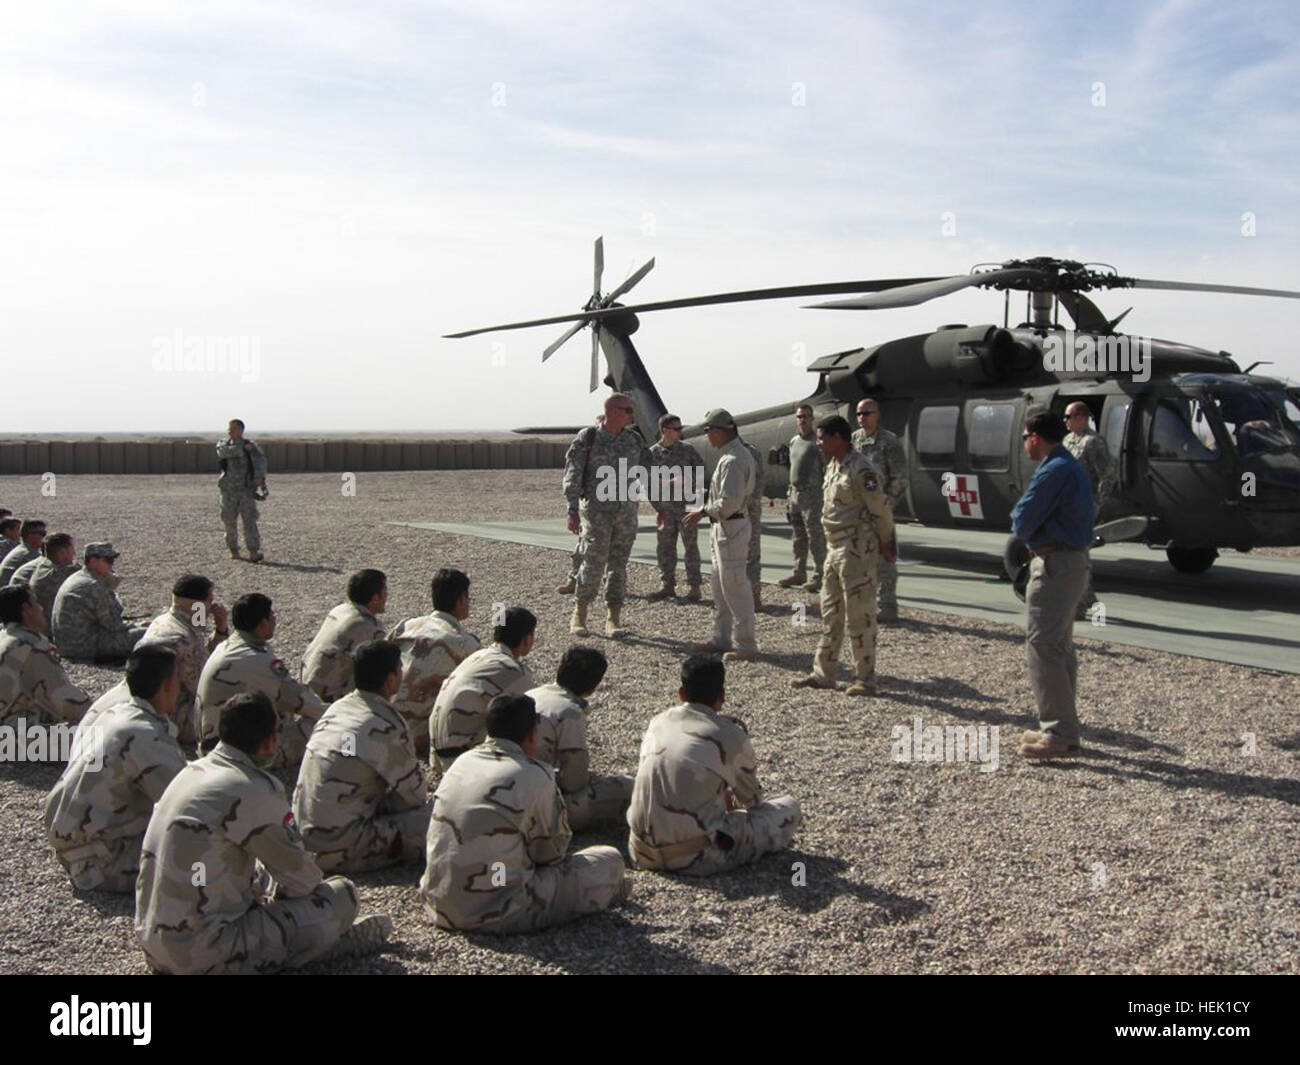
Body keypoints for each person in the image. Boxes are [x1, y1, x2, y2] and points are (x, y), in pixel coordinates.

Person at [135, 692, 391, 974]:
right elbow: (303, 881)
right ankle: (325, 946)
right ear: (270, 742)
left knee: (257, 871)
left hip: (154, 944)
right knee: (342, 896)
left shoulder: (191, 773)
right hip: (202, 955)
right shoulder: (254, 788)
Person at [418, 692, 627, 933]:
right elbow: (551, 853)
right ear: (531, 735)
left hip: (438, 900)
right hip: (497, 906)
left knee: (499, 857)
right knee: (609, 860)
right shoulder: (536, 774)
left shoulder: (462, 763)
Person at [627, 654, 800, 875]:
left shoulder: (658, 721)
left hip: (640, 852)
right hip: (696, 858)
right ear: (722, 696)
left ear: (681, 693)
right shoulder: (729, 735)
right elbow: (752, 801)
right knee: (789, 808)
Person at [44, 645, 187, 893]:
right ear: (166, 685)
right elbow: (188, 803)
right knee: (208, 859)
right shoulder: (145, 734)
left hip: (79, 849)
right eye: (178, 680)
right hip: (103, 862)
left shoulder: (115, 713)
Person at [292, 641, 432, 873]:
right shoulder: (385, 723)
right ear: (390, 680)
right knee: (442, 820)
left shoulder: (337, 709)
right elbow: (414, 795)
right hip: (340, 848)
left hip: (304, 839)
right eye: (400, 668)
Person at [1011, 409, 1096, 760]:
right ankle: (1062, 728)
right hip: (1069, 562)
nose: (1024, 446)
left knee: (1044, 645)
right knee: (1059, 647)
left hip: (1056, 565)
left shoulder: (1054, 471)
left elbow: (1021, 519)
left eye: (1025, 439)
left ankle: (1058, 733)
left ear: (1035, 437)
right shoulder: (1067, 465)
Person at [792, 415, 896, 697]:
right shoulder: (833, 467)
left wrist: (888, 543)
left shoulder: (862, 470)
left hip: (857, 551)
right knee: (831, 613)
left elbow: (881, 510)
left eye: (823, 437)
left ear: (839, 438)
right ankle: (823, 673)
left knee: (859, 616)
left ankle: (865, 679)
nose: (819, 442)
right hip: (834, 549)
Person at [195, 593, 324, 767]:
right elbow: (300, 700)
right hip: (235, 754)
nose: (275, 620)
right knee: (322, 725)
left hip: (214, 740)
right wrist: (339, 713)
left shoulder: (229, 644)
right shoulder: (259, 660)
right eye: (272, 617)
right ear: (262, 624)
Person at [564, 393, 655, 637]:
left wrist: (662, 506)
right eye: (627, 410)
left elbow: (649, 472)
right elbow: (573, 474)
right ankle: (580, 614)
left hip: (626, 513)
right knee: (593, 563)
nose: (631, 414)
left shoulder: (634, 440)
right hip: (597, 514)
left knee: (619, 566)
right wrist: (572, 509)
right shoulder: (589, 437)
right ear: (613, 411)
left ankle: (613, 619)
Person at [526, 646, 633, 830]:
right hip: (536, 808)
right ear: (592, 687)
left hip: (514, 784)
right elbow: (574, 782)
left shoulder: (532, 694)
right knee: (627, 787)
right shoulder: (570, 712)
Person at [684, 409, 757, 661]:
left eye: (708, 431)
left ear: (721, 430)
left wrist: (702, 511)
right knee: (720, 585)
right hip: (724, 528)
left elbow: (729, 503)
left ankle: (746, 644)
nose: (707, 436)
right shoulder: (730, 456)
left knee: (735, 586)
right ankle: (722, 638)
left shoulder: (734, 459)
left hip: (731, 527)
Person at [386, 567, 481, 758]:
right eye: (467, 598)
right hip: (420, 735)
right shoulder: (464, 643)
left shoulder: (405, 626)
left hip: (387, 724)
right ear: (461, 600)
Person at [428, 606, 536, 773]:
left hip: (437, 753)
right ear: (526, 639)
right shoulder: (516, 672)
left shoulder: (479, 655)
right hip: (460, 761)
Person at [137, 573, 228, 748]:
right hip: (172, 719)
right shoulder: (184, 638)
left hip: (152, 709)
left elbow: (201, 655)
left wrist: (221, 629)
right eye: (210, 601)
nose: (213, 607)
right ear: (197, 606)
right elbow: (205, 686)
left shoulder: (165, 621)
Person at [0, 585, 91, 736]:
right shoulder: (29, 645)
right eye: (36, 603)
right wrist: (98, 711)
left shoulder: (6, 636)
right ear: (26, 609)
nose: (41, 608)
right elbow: (65, 701)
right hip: (10, 737)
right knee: (97, 738)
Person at [852, 399, 908, 622]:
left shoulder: (889, 441)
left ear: (877, 415)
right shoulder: (855, 439)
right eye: (859, 414)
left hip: (881, 510)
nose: (862, 418)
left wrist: (886, 506)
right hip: (857, 510)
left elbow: (900, 479)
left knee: (885, 557)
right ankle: (863, 603)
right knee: (858, 557)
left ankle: (888, 605)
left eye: (866, 413)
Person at [50, 542, 147, 664]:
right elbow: (113, 624)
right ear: (93, 561)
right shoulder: (94, 586)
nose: (111, 565)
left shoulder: (78, 577)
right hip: (83, 648)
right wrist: (110, 590)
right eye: (108, 560)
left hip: (67, 644)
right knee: (150, 633)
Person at [301, 569, 387, 704]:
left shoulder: (340, 610)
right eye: (385, 593)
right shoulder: (367, 627)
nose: (386, 597)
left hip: (307, 686)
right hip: (327, 699)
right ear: (375, 598)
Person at [646, 413, 705, 602]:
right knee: (665, 547)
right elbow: (647, 483)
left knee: (690, 547)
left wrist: (687, 479)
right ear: (664, 431)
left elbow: (702, 471)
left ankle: (694, 587)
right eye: (676, 429)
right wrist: (658, 508)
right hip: (665, 508)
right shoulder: (652, 454)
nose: (680, 432)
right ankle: (667, 586)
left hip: (687, 507)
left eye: (681, 428)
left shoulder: (688, 450)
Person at [1063, 402, 1114, 619]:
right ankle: (1087, 599)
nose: (1065, 420)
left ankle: (1082, 603)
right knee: (1072, 553)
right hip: (1068, 505)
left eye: (1069, 416)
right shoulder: (1068, 440)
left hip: (1084, 506)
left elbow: (1108, 475)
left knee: (1077, 554)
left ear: (1082, 418)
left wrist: (1097, 505)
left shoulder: (1093, 443)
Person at [778, 404, 827, 594]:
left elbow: (827, 468)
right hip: (796, 495)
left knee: (815, 537)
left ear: (812, 419)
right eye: (799, 417)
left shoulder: (818, 443)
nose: (803, 420)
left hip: (813, 495)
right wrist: (790, 494)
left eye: (806, 416)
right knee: (798, 538)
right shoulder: (793, 442)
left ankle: (819, 576)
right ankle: (799, 572)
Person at [217, 418, 267, 562]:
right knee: (229, 521)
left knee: (249, 521)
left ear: (241, 430)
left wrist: (259, 478)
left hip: (246, 489)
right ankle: (233, 550)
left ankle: (253, 551)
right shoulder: (223, 444)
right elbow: (223, 453)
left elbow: (260, 462)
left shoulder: (251, 446)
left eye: (233, 428)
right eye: (229, 428)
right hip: (228, 490)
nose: (229, 431)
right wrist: (241, 449)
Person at [11, 532, 80, 619]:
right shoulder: (59, 573)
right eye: (72, 548)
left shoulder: (43, 566)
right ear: (62, 552)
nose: (74, 553)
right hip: (50, 629)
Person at [742, 438, 766, 609]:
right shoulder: (726, 452)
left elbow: (758, 482)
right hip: (734, 512)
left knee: (751, 554)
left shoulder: (749, 452)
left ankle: (754, 596)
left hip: (748, 511)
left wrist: (745, 504)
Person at [0, 519, 47, 586]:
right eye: (43, 534)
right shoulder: (28, 554)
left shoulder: (22, 549)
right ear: (31, 535)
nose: (44, 537)